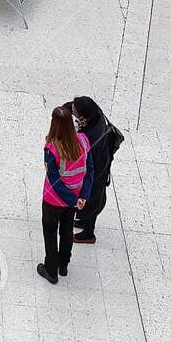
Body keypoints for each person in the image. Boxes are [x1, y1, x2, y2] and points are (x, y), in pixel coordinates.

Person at [38, 103, 90, 285]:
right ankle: (63, 264)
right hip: (73, 200)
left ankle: (51, 270)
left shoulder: (52, 149)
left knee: (50, 231)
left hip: (54, 200)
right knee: (67, 230)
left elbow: (55, 181)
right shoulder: (83, 141)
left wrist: (74, 200)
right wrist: (81, 197)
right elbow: (89, 169)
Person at [71, 95, 119, 245]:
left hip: (97, 169)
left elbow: (83, 156)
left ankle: (88, 233)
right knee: (90, 197)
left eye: (74, 110)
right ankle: (83, 221)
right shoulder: (96, 112)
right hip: (102, 160)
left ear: (83, 115)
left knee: (91, 198)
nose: (72, 108)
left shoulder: (91, 136)